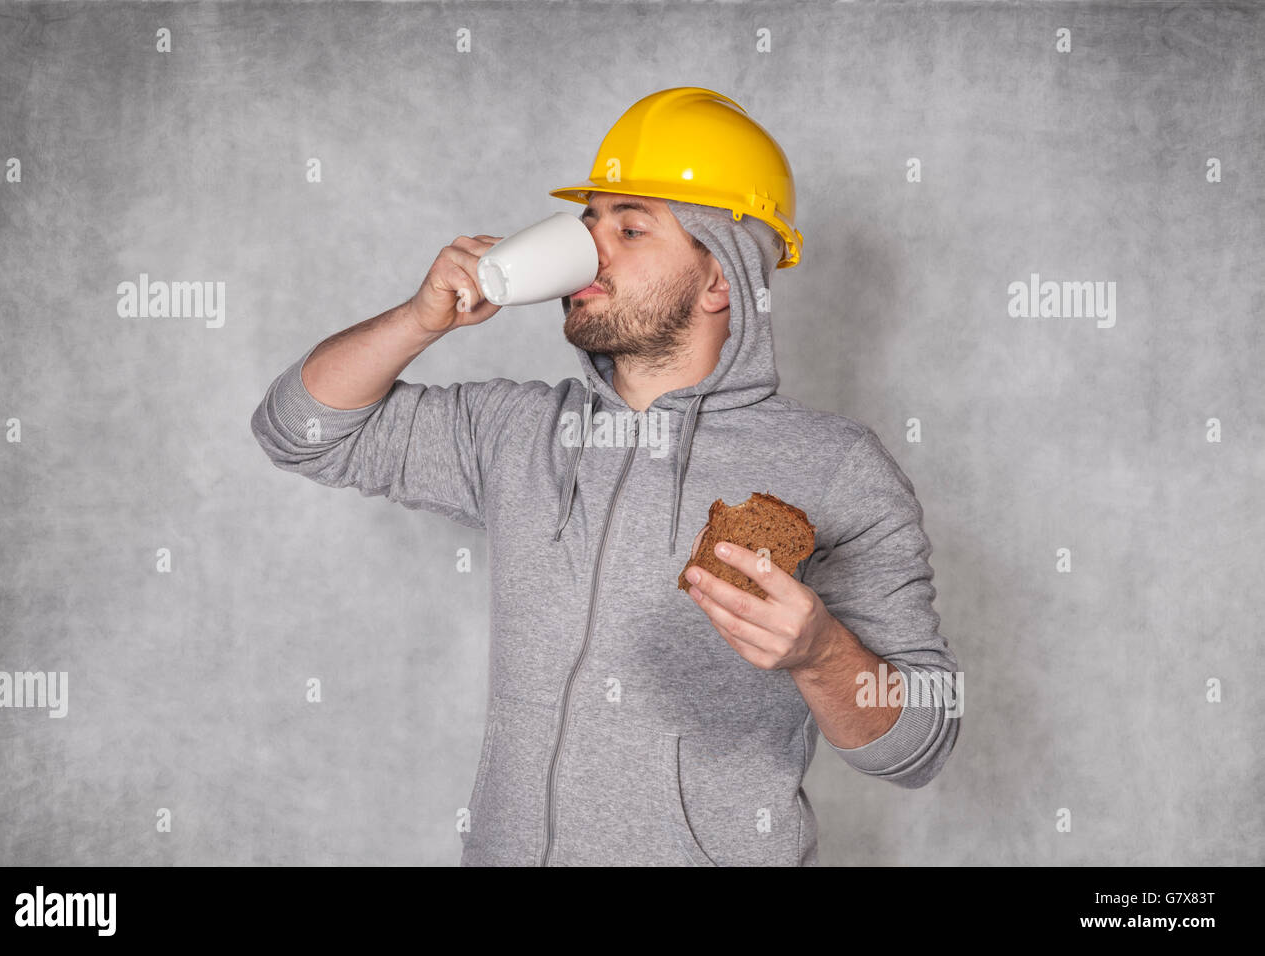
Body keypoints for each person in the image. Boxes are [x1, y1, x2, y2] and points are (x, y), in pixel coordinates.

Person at [250, 87, 961, 866]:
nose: (592, 252)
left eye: (630, 227)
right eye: (588, 225)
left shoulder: (837, 468)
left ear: (719, 279)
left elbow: (919, 742)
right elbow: (298, 430)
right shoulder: (514, 431)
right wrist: (422, 319)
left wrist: (821, 652)